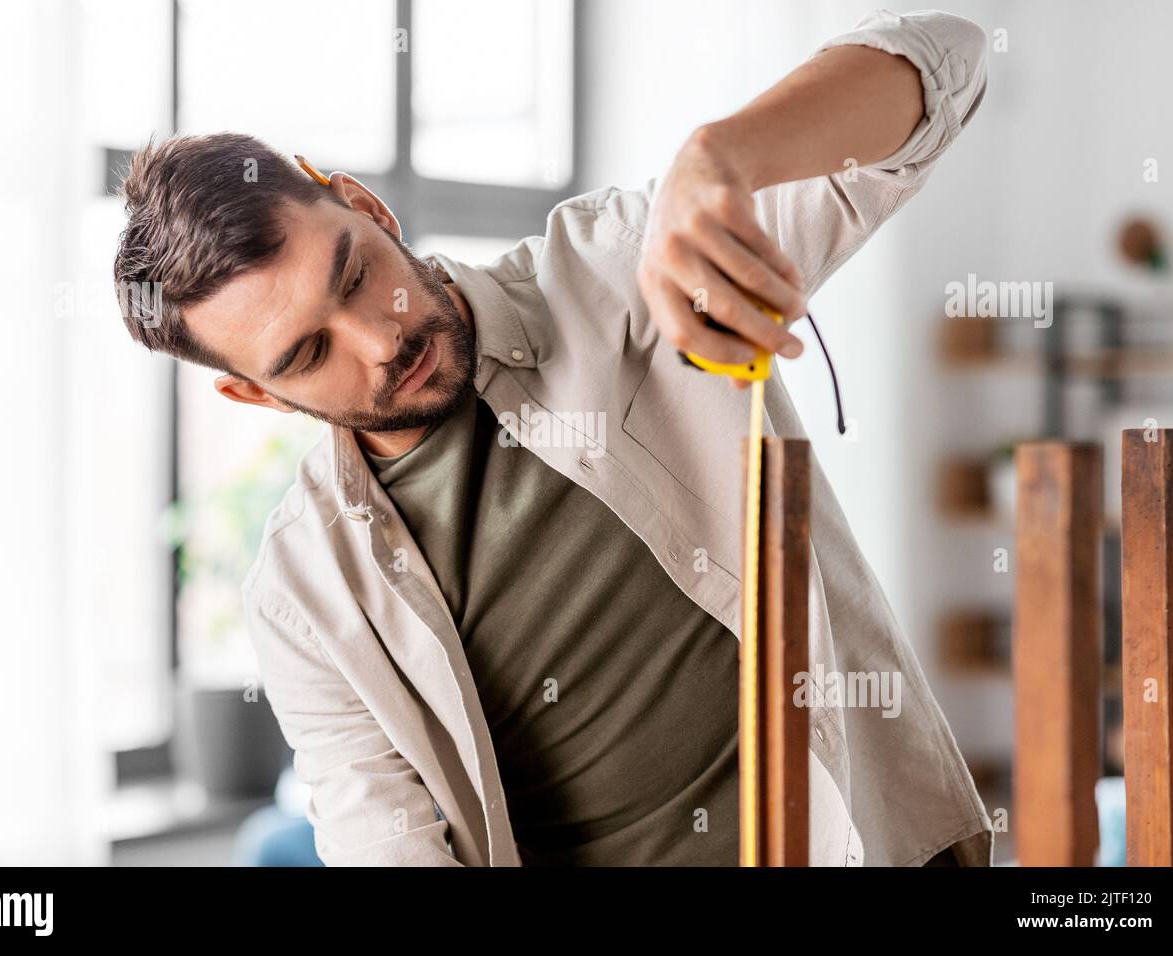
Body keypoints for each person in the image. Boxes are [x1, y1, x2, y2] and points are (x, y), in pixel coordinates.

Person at [112, 8, 991, 866]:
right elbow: (384, 842)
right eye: (309, 353)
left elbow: (947, 59)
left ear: (368, 207)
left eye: (357, 275)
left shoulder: (620, 271)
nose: (381, 341)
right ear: (253, 394)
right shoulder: (307, 601)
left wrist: (718, 158)